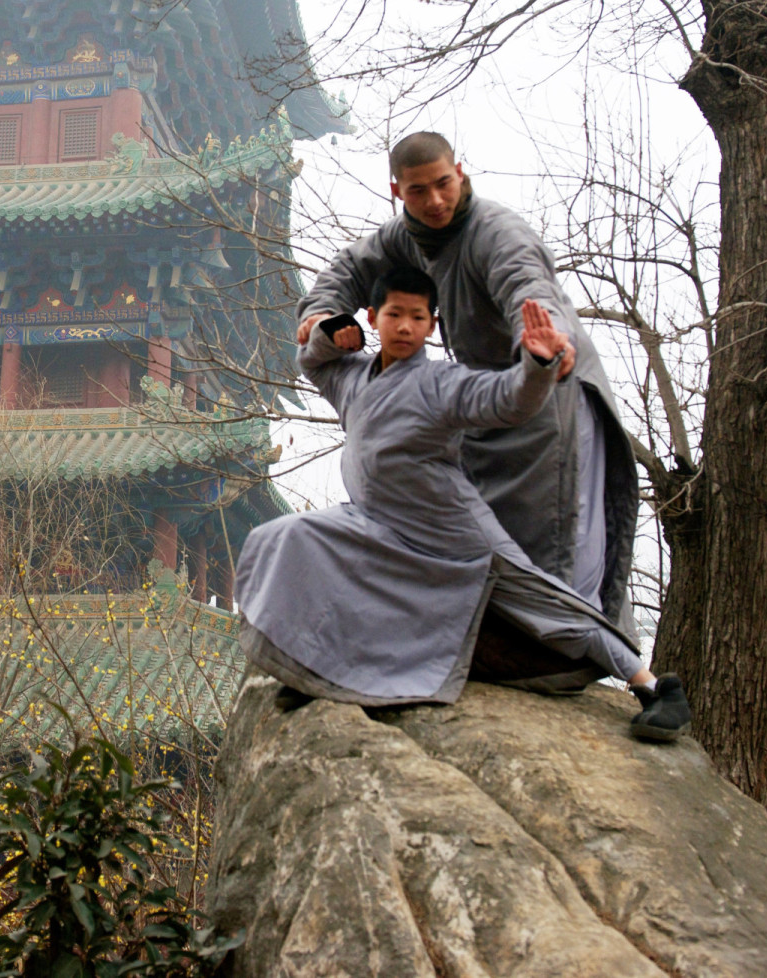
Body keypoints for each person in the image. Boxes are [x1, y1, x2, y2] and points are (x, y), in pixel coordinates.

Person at [239, 266, 690, 739]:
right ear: (373, 317)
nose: (406, 326)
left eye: (418, 316)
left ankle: (654, 687)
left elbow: (507, 399)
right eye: (395, 314)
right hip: (376, 524)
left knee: (544, 602)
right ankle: (319, 671)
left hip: (450, 528)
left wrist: (536, 367)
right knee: (289, 537)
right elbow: (310, 363)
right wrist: (330, 334)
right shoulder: (351, 378)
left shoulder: (441, 383)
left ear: (432, 325)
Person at [298, 132, 638, 692]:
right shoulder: (405, 238)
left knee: (553, 537)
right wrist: (323, 313)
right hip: (475, 403)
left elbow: (526, 285)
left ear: (461, 171)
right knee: (483, 535)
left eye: (443, 184)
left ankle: (571, 657)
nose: (434, 201)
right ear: (397, 192)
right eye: (418, 191)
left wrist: (541, 345)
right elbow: (347, 270)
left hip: (546, 387)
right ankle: (505, 646)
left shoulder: (496, 232)